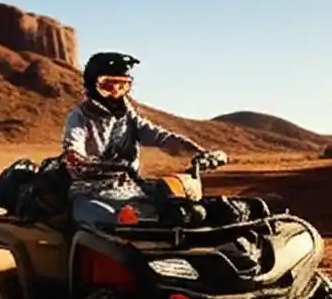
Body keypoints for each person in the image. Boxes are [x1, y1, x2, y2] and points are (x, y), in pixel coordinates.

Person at [52, 51, 222, 226]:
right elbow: (73, 158)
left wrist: (199, 153)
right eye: (108, 86)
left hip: (130, 189)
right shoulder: (79, 118)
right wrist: (105, 166)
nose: (116, 93)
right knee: (117, 223)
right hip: (90, 193)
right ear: (93, 85)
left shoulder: (129, 117)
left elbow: (161, 137)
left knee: (182, 211)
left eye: (123, 86)